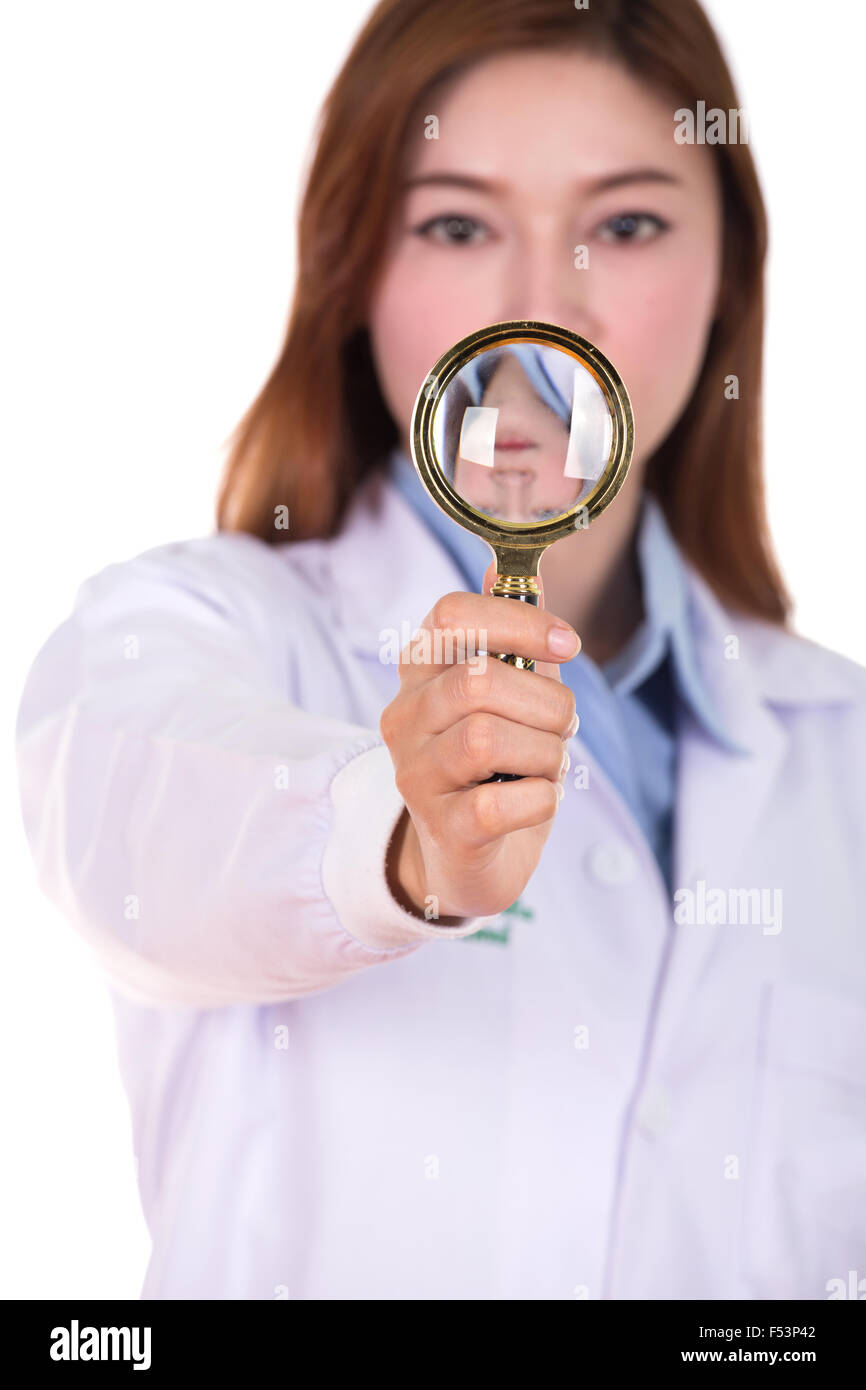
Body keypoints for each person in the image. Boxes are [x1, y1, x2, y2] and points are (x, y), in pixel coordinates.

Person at [15, 0, 866, 1301]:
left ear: (730, 279)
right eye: (457, 224)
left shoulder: (839, 753)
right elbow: (133, 833)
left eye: (625, 223)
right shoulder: (196, 628)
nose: (542, 306)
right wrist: (400, 838)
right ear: (353, 273)